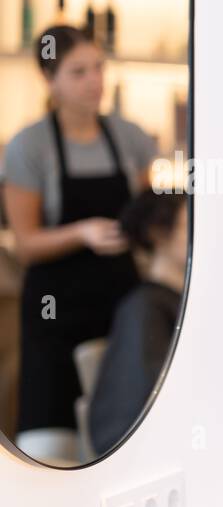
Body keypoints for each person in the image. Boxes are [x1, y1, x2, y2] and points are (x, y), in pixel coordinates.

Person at [2, 24, 157, 462]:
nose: (95, 81)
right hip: (55, 313)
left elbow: (148, 219)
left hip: (119, 307)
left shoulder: (131, 138)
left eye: (98, 67)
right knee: (51, 450)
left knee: (123, 438)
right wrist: (82, 232)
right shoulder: (28, 147)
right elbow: (27, 245)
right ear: (50, 81)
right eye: (78, 72)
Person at [88, 191, 187, 456]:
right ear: (157, 233)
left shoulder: (176, 303)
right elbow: (136, 400)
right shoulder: (144, 308)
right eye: (188, 226)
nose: (197, 236)